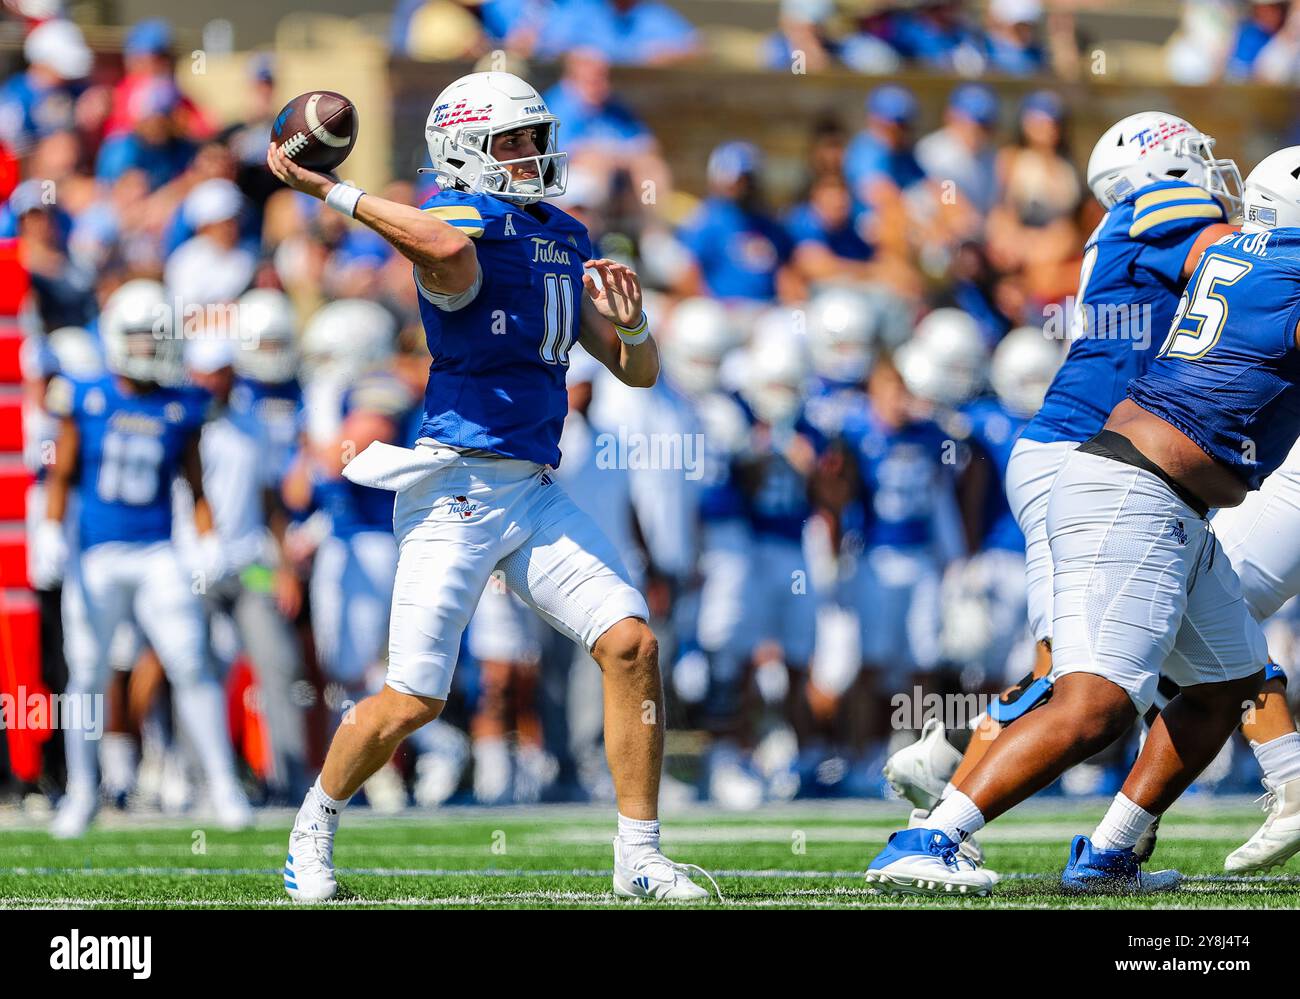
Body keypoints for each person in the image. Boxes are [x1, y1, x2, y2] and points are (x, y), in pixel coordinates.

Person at [268, 70, 713, 901]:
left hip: (535, 489)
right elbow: (445, 251)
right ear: (465, 152)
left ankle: (639, 856)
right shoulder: (453, 217)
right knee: (413, 698)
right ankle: (312, 827)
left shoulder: (566, 233)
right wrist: (330, 189)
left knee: (632, 644)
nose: (535, 153)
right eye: (513, 142)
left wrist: (635, 321)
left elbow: (635, 372)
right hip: (455, 491)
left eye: (536, 137)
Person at [865, 148, 1300, 898]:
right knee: (1094, 703)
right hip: (1139, 491)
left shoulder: (1241, 252)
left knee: (1225, 685)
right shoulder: (1275, 261)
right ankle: (930, 835)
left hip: (1156, 491)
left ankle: (1108, 852)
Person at [32, 279, 252, 838]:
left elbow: (195, 486)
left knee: (190, 663)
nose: (156, 350)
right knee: (86, 674)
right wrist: (51, 530)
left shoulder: (181, 404)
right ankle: (83, 792)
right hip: (97, 554)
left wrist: (207, 539)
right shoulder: (85, 394)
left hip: (157, 553)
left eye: (160, 339)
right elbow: (63, 472)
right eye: (146, 339)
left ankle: (222, 786)